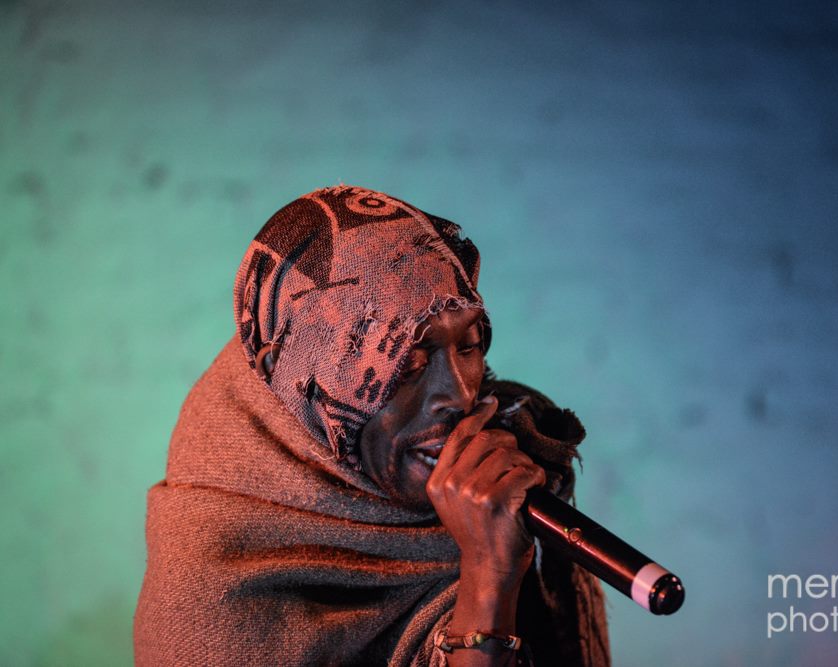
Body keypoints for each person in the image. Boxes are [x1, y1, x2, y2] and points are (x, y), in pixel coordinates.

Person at [134, 185, 610, 666]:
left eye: (468, 346)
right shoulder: (209, 599)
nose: (460, 395)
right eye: (404, 364)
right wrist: (487, 576)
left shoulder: (500, 497)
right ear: (301, 387)